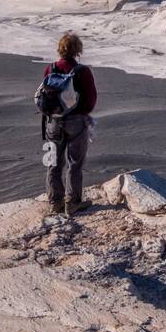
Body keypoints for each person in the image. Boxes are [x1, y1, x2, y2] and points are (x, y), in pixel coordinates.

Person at [43, 32, 97, 216]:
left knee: (53, 163)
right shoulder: (83, 71)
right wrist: (82, 113)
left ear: (60, 49)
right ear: (77, 50)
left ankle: (54, 202)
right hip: (76, 121)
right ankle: (72, 202)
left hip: (53, 123)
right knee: (74, 163)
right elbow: (90, 100)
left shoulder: (50, 69)